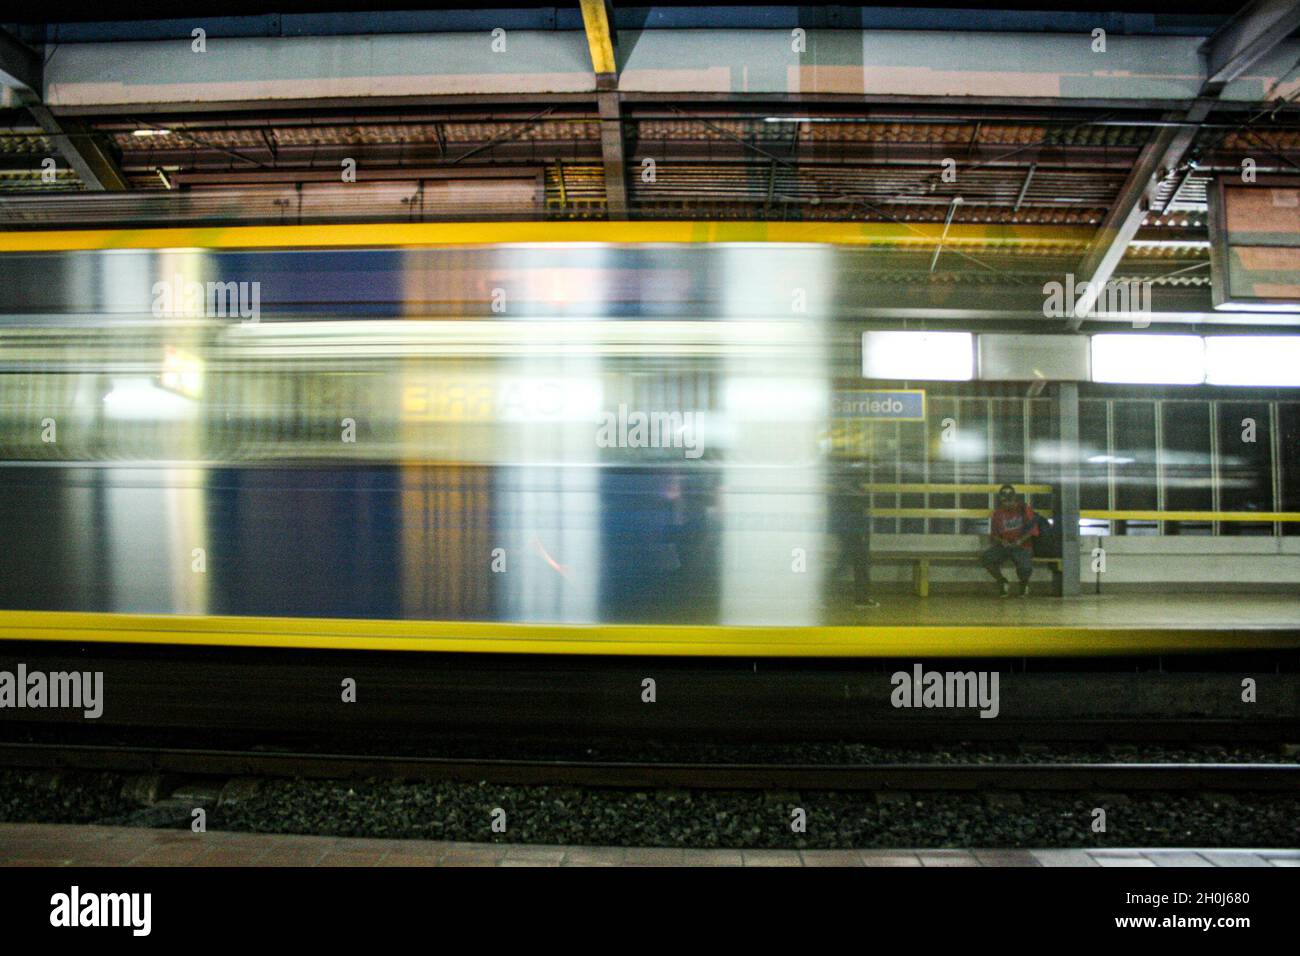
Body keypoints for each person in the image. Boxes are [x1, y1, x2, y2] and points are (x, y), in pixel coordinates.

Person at [830, 462, 880, 609]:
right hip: (856, 532)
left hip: (847, 532)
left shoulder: (842, 489)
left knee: (845, 564)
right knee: (861, 565)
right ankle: (862, 599)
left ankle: (825, 592)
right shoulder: (855, 490)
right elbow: (859, 514)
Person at [980, 483, 1039, 598]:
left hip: (1023, 545)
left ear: (1015, 499)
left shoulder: (1024, 509)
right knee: (987, 558)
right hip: (1005, 545)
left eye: (1010, 501)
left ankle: (1023, 584)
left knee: (1025, 567)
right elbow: (993, 535)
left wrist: (1020, 540)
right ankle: (1002, 582)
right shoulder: (998, 513)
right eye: (1005, 501)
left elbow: (1033, 530)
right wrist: (1002, 541)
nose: (1008, 504)